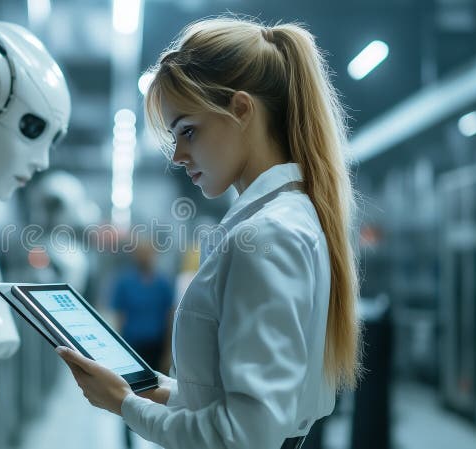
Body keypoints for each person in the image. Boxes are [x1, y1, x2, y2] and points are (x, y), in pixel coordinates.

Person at [56, 16, 361, 449]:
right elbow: (246, 404)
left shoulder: (267, 236)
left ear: (240, 109)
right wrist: (156, 389)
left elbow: (244, 436)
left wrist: (124, 405)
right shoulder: (286, 219)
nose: (178, 155)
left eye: (188, 131)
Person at [111, 240, 175, 449]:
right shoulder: (124, 283)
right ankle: (129, 443)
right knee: (127, 398)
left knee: (158, 397)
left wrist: (168, 353)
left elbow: (170, 319)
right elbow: (119, 318)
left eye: (148, 252)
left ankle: (159, 441)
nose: (144, 256)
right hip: (132, 348)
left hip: (156, 347)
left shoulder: (163, 284)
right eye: (140, 252)